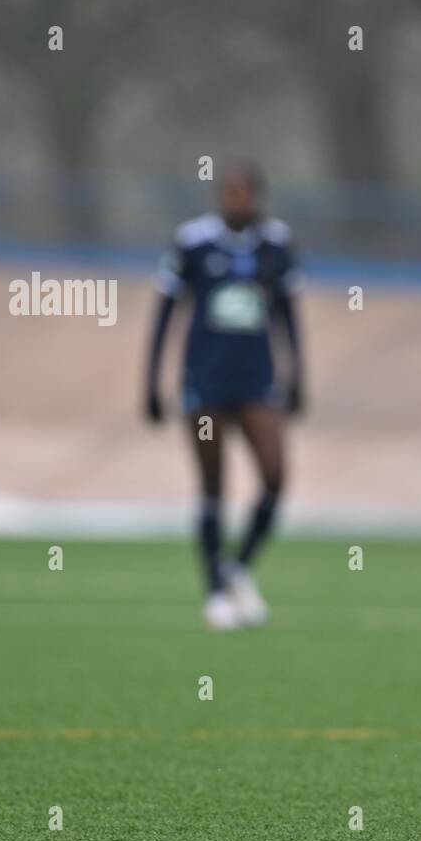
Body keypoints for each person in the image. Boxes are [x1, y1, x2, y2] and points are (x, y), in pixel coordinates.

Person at [144, 162, 305, 631]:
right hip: (206, 383)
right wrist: (152, 382)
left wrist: (299, 376)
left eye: (243, 193)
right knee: (213, 484)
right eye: (227, 192)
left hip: (256, 380)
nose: (234, 200)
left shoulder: (276, 244)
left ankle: (237, 568)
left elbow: (288, 316)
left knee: (275, 476)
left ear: (256, 197)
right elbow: (165, 312)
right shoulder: (194, 242)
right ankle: (214, 591)